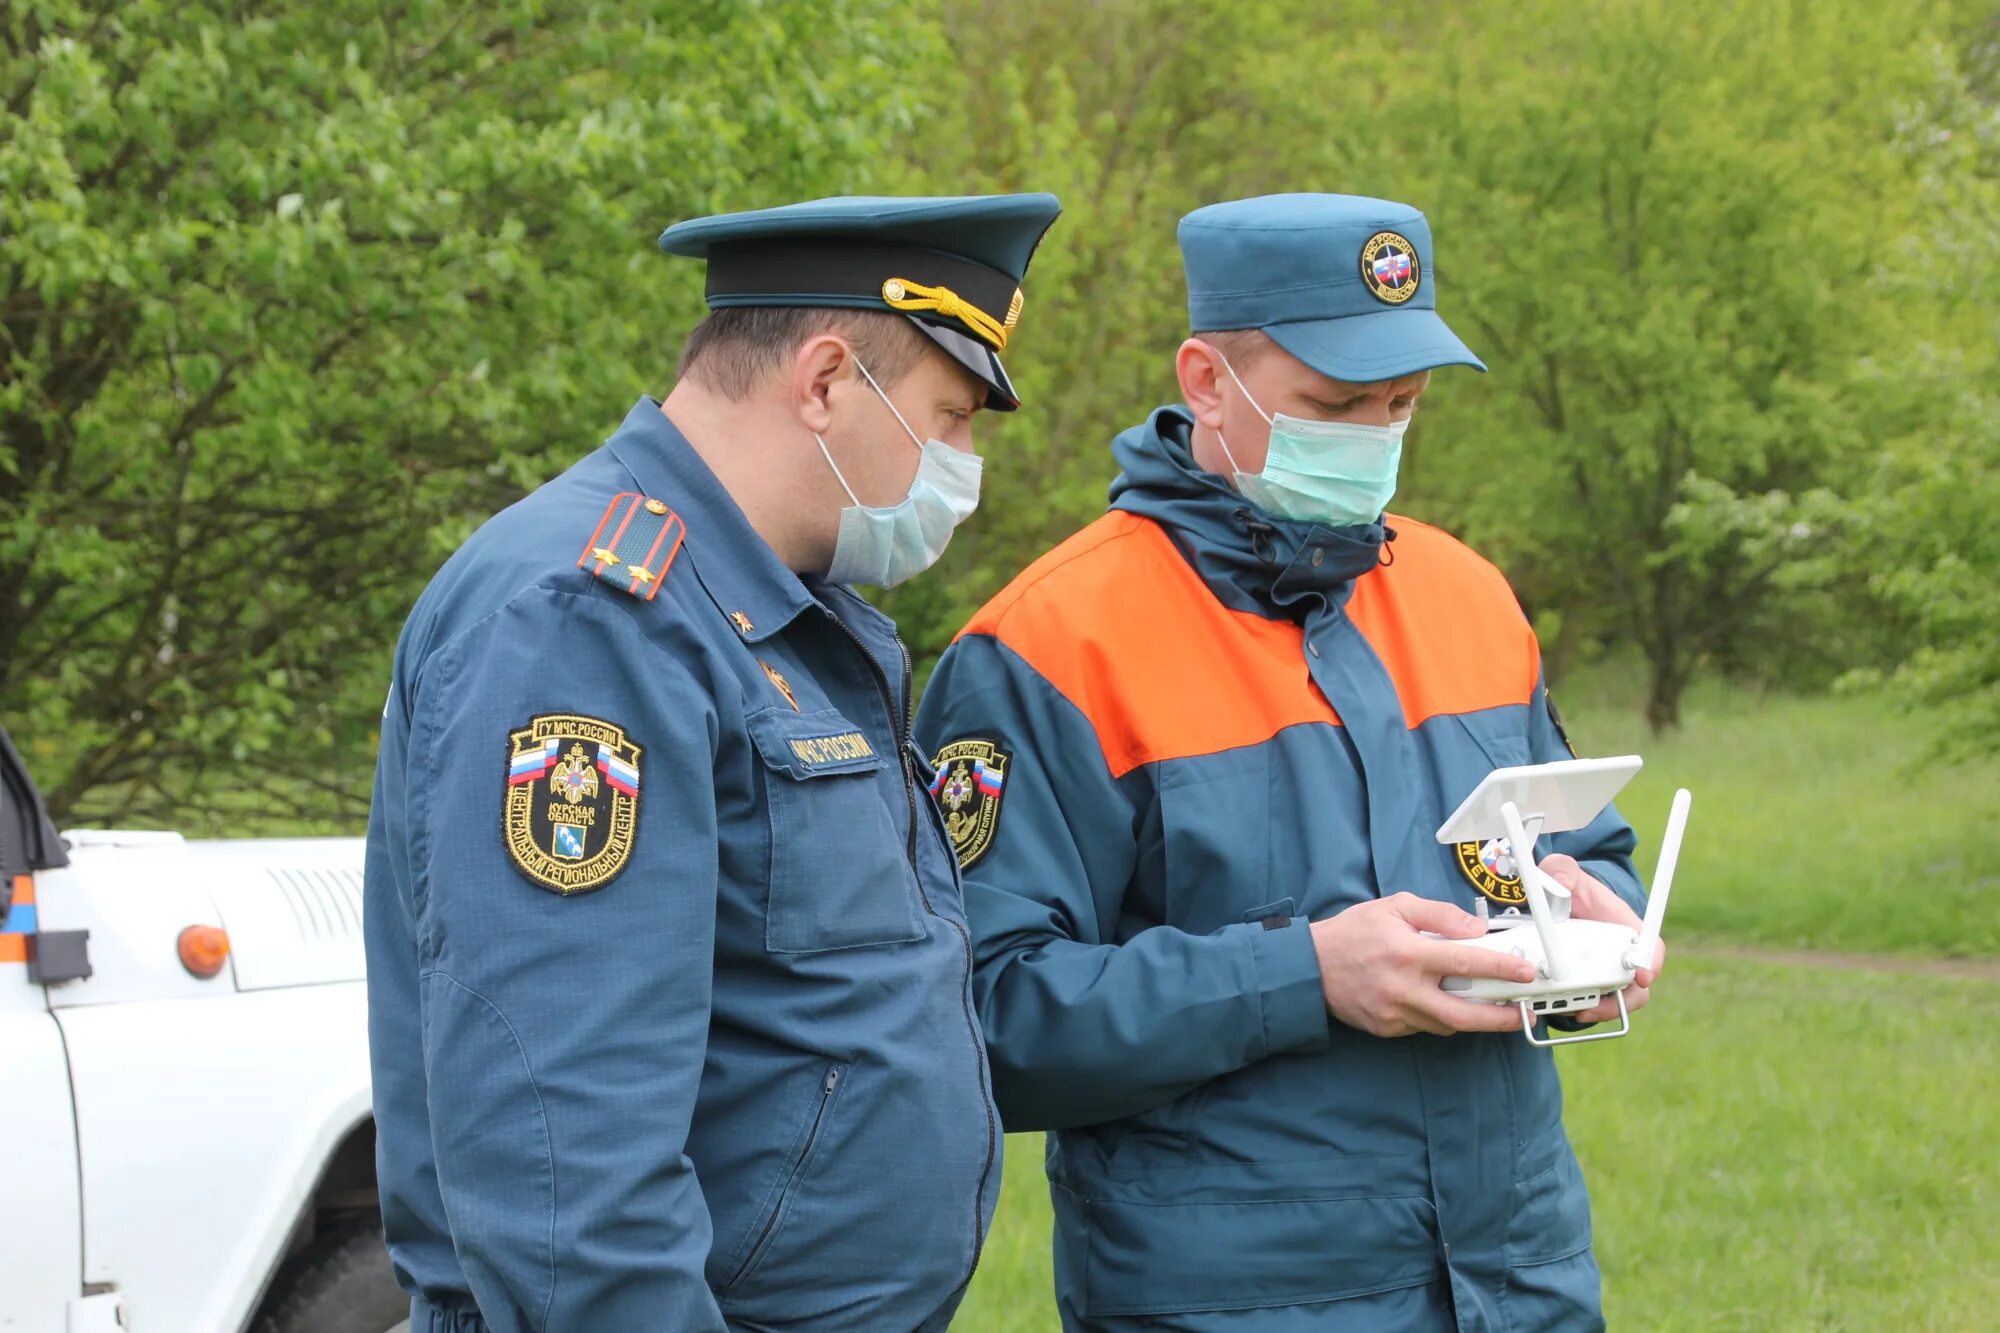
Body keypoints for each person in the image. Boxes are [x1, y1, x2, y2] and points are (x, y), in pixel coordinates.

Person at [914, 193, 1664, 1331]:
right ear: (1206, 380)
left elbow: (1568, 838)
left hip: (1518, 1275)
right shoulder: (1049, 646)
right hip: (1237, 1298)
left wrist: (1588, 914)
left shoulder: (1467, 594)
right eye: (1333, 404)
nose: (1371, 435)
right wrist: (1303, 976)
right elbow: (985, 1016)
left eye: (1400, 404)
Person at [363, 192, 1061, 1332]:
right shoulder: (592, 621)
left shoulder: (774, 613)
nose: (963, 465)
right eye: (950, 417)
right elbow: (565, 1161)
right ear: (828, 378)